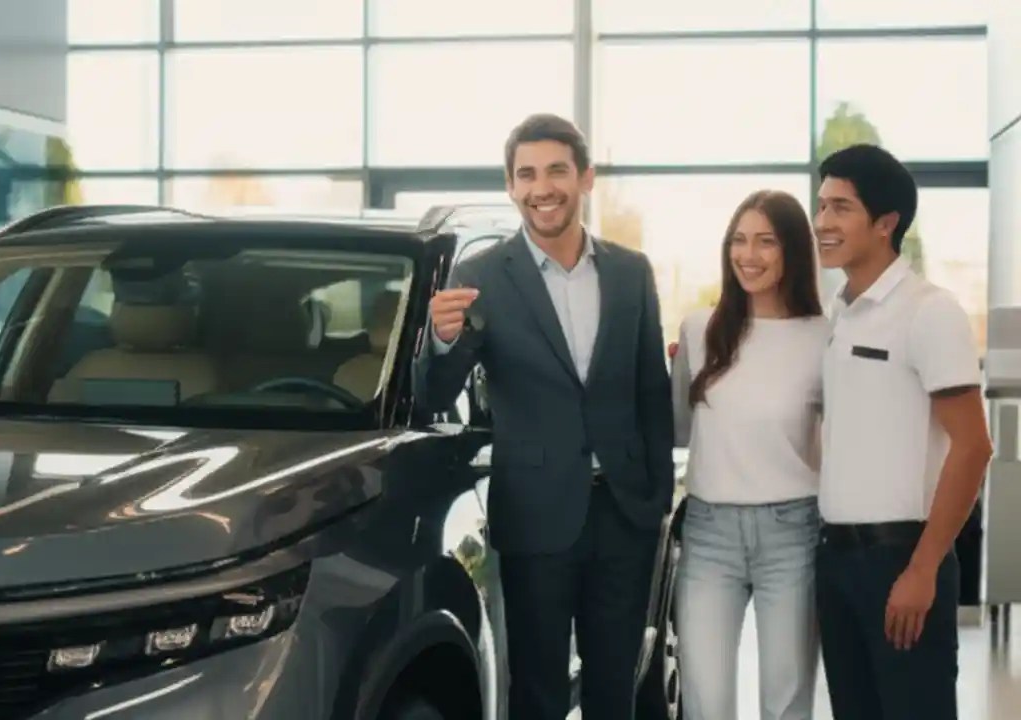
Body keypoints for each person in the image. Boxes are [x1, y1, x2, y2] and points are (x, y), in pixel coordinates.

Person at [412, 113, 674, 719]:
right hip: (535, 519)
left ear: (585, 178)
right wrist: (442, 342)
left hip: (624, 516)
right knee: (537, 691)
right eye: (526, 174)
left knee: (616, 688)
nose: (542, 187)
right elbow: (432, 396)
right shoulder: (479, 277)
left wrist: (655, 501)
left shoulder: (632, 273)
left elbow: (651, 394)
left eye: (557, 170)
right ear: (511, 186)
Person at [813, 143, 994, 719]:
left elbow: (973, 446)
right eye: (821, 206)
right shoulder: (842, 313)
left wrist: (923, 569)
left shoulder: (928, 311)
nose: (822, 223)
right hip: (836, 559)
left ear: (885, 223)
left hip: (901, 557)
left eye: (841, 208)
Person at [670, 189, 829, 720]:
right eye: (739, 241)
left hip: (793, 531)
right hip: (709, 532)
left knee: (787, 700)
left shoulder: (823, 337)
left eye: (766, 241)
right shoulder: (699, 329)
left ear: (792, 252)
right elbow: (680, 428)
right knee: (704, 699)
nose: (749, 255)